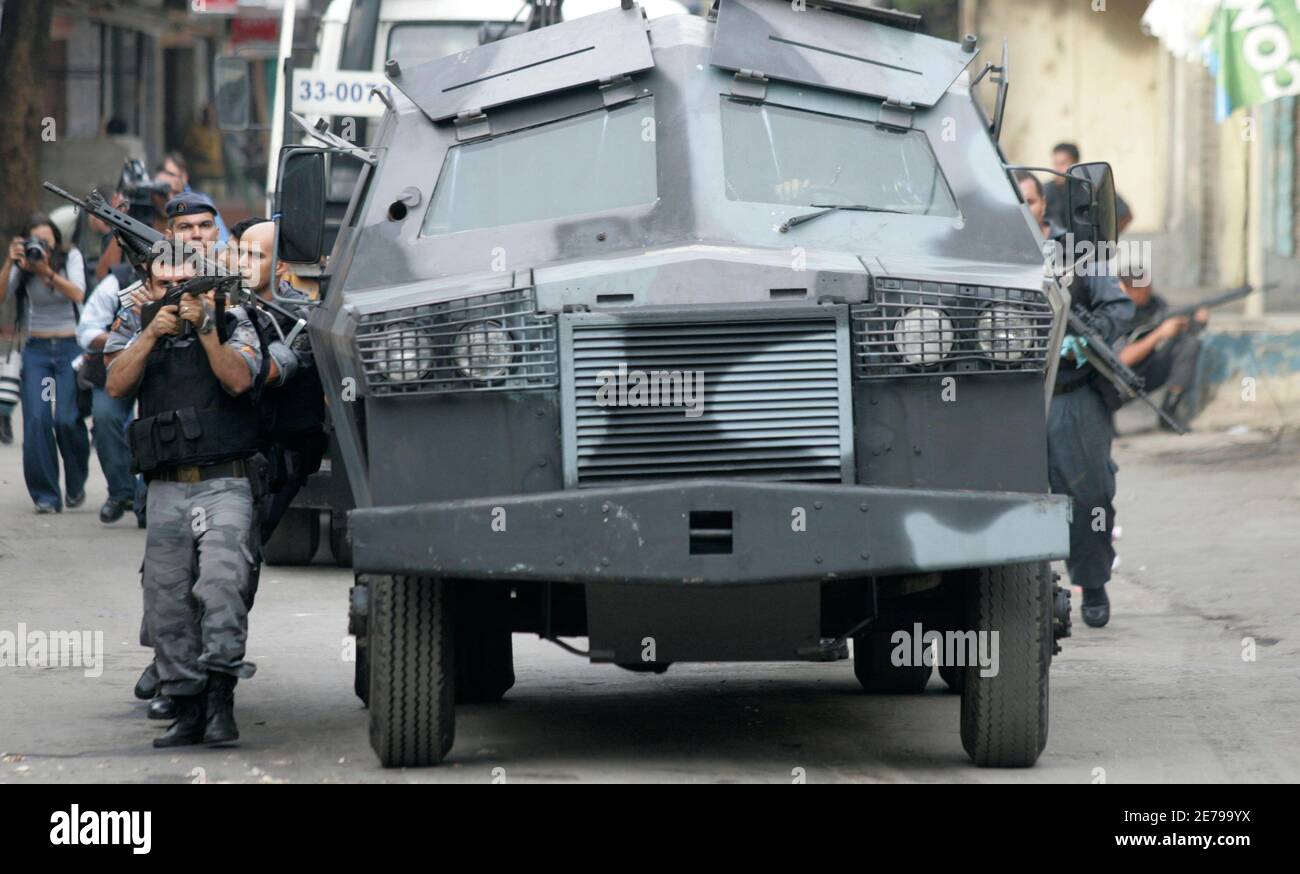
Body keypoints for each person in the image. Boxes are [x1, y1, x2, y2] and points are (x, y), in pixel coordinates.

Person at [105, 248, 265, 748]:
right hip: (168, 485)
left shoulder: (232, 319)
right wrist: (152, 333)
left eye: (186, 282)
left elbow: (239, 380)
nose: (174, 291)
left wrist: (206, 330)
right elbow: (114, 385)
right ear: (148, 286)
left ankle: (220, 700)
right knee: (166, 600)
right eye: (164, 282)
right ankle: (187, 705)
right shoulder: (134, 324)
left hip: (225, 480)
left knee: (221, 586)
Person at [1020, 170, 1135, 628]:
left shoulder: (1076, 252)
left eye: (1029, 201)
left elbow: (1119, 307)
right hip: (1010, 397)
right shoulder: (983, 250)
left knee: (1089, 495)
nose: (1022, 210)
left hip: (1072, 391)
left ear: (1043, 206)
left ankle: (1093, 582)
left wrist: (1086, 341)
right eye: (1013, 201)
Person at [233, 219, 326, 541]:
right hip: (234, 447)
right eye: (240, 253)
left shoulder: (302, 315)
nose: (243, 264)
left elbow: (269, 373)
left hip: (281, 454)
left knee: (248, 543)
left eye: (255, 256)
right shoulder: (227, 304)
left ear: (281, 265)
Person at [0, 214, 90, 513]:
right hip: (37, 351)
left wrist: (46, 271)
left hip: (69, 349)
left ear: (56, 242)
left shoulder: (70, 256)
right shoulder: (23, 262)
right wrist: (10, 262)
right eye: (35, 242)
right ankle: (46, 495)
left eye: (47, 242)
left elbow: (78, 293)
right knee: (38, 419)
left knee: (66, 420)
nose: (41, 248)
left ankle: (76, 481)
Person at [1116, 258, 1208, 431]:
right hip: (1115, 383)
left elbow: (1179, 324)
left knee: (1189, 344)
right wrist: (1159, 334)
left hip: (1144, 372)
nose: (1149, 292)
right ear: (1127, 290)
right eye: (1143, 289)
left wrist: (1197, 322)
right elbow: (1122, 359)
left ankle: (1169, 412)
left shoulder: (1155, 303)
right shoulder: (1113, 311)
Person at [1044, 142, 1133, 236]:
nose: (1057, 169)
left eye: (1062, 164)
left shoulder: (1091, 188)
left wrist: (1105, 238)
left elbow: (1126, 215)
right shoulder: (1045, 191)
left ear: (1075, 163)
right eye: (1055, 164)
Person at [155, 152, 229, 245]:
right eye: (163, 192)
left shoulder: (201, 203)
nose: (170, 198)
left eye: (175, 193)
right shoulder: (145, 200)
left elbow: (221, 244)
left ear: (185, 178)